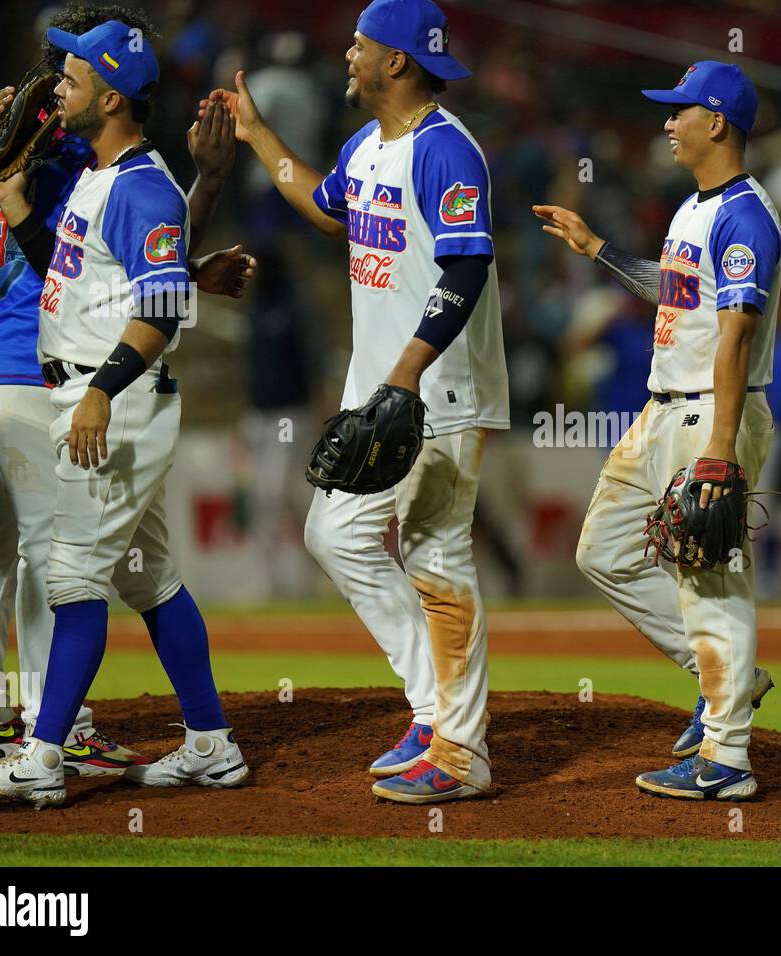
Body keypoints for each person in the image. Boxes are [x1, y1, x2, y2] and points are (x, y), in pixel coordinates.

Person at [209, 0, 509, 804]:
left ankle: (463, 753)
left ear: (399, 62)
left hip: (437, 386)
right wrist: (258, 136)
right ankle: (434, 710)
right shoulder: (368, 145)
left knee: (438, 560)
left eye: (361, 45)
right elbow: (328, 208)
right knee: (332, 532)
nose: (347, 55)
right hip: (385, 385)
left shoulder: (447, 150)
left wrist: (407, 370)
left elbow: (466, 268)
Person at [0, 17, 254, 807]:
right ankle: (211, 744)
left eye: (74, 76)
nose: (58, 86)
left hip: (109, 400)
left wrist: (98, 392)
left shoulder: (143, 186)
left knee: (73, 576)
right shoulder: (97, 174)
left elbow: (156, 311)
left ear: (111, 95)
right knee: (150, 578)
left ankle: (43, 759)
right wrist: (19, 209)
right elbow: (85, 280)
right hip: (90, 392)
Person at [535, 61, 781, 799]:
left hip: (711, 410)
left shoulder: (746, 215)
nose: (667, 123)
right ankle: (728, 686)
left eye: (680, 112)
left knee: (712, 582)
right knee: (604, 551)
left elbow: (736, 335)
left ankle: (727, 759)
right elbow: (675, 290)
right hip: (660, 407)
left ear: (718, 123)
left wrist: (717, 449)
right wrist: (599, 250)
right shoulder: (694, 209)